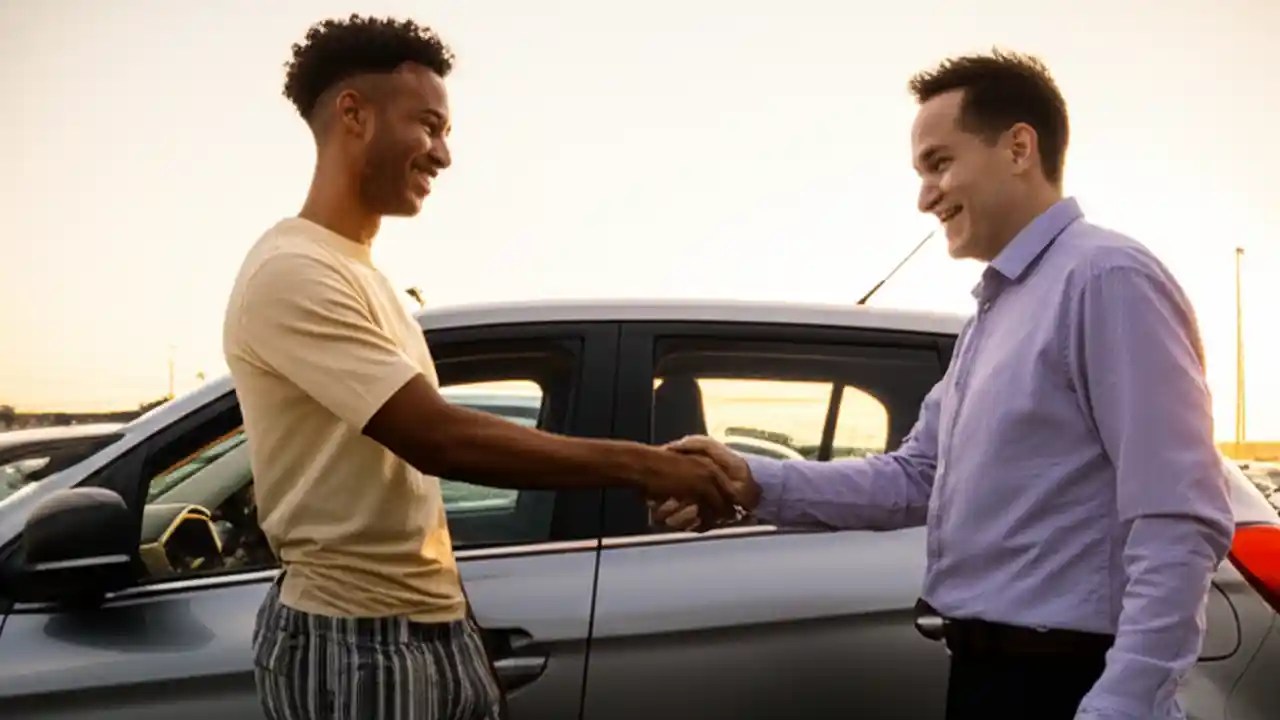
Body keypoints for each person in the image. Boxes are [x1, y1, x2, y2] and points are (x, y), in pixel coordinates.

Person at [656, 49, 1234, 720]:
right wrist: (749, 482)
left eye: (939, 163)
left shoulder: (1106, 278)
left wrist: (1127, 702)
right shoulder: (995, 313)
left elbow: (1178, 508)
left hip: (1071, 684)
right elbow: (917, 476)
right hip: (988, 675)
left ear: (1019, 148)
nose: (925, 196)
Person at [222, 15, 736, 720]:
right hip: (355, 640)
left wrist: (460, 628)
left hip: (430, 625)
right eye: (429, 126)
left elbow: (404, 493)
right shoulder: (292, 272)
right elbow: (437, 438)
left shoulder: (361, 272)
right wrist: (647, 465)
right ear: (354, 114)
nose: (444, 155)